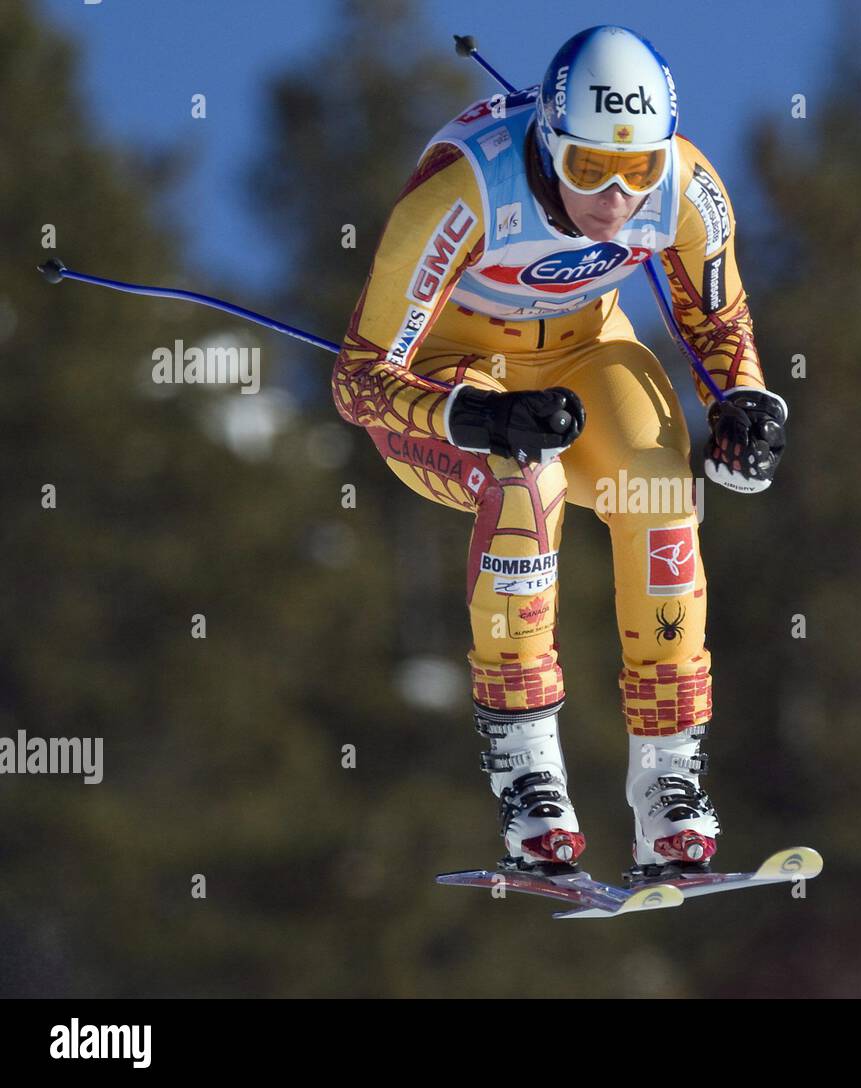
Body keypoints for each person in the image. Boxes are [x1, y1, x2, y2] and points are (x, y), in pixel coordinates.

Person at [331, 25, 788, 878]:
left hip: (584, 353)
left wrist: (744, 404)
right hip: (449, 382)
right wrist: (473, 417)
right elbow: (359, 382)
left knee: (658, 490)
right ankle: (528, 773)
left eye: (638, 170)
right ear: (547, 139)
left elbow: (715, 318)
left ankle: (669, 783)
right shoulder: (466, 190)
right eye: (588, 169)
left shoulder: (686, 186)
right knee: (523, 486)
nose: (616, 197)